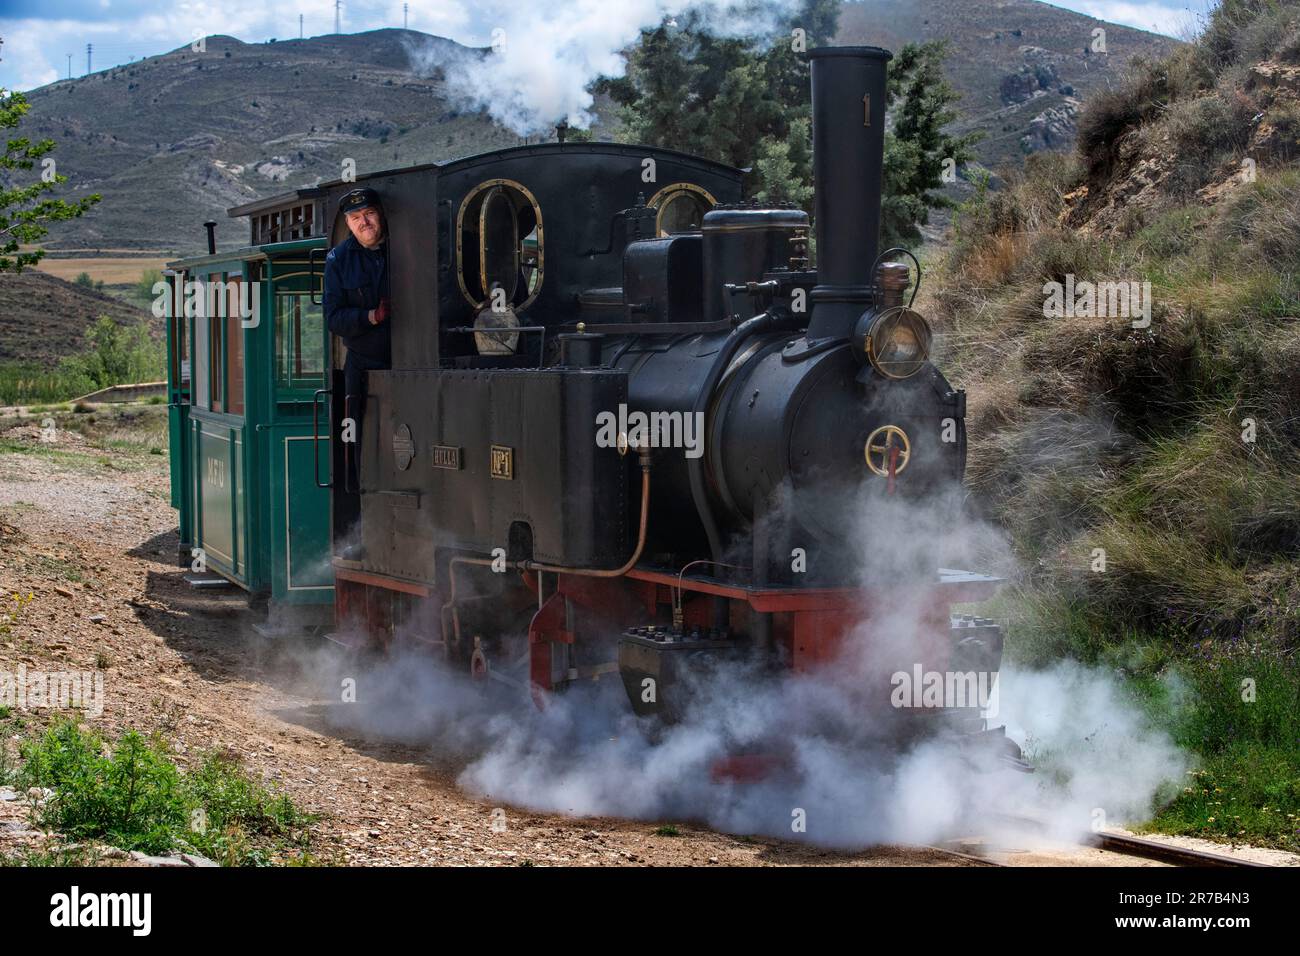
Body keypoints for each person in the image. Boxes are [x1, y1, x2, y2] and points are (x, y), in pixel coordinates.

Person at [323, 187, 390, 558]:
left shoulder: (403, 249)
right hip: (363, 364)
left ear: (379, 215)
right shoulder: (339, 260)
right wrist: (370, 317)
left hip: (409, 359)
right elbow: (333, 318)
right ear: (349, 224)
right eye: (355, 218)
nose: (363, 222)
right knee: (360, 447)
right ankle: (364, 531)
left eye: (367, 214)